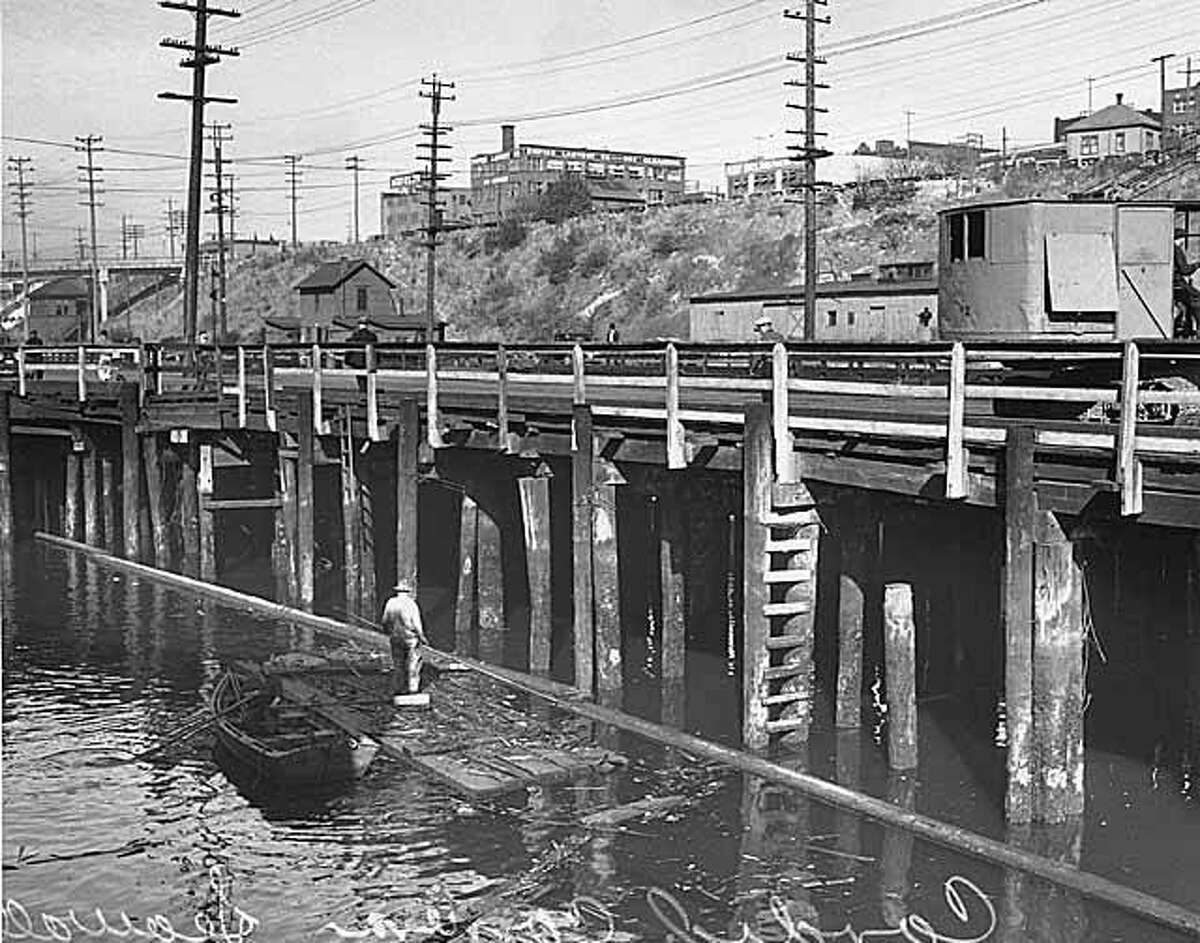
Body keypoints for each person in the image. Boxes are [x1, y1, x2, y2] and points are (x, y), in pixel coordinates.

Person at [381, 579, 428, 698]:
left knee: (398, 665)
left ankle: (399, 689)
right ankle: (413, 690)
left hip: (396, 638)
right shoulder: (411, 604)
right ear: (407, 592)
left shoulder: (390, 603)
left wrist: (387, 631)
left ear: (397, 591)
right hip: (411, 639)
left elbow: (385, 621)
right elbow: (417, 624)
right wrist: (422, 637)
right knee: (414, 665)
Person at [1173, 229, 1199, 339]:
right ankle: (1197, 327)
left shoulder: (1171, 249)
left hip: (1174, 282)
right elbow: (1184, 270)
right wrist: (1197, 265)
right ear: (1180, 239)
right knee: (1196, 297)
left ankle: (1187, 326)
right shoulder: (1176, 249)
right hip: (1177, 282)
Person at [345, 316, 377, 395]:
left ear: (359, 324)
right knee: (368, 377)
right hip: (368, 359)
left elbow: (349, 348)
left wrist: (347, 360)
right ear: (368, 325)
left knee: (360, 378)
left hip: (356, 360)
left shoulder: (355, 336)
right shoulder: (372, 336)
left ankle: (363, 393)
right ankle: (367, 392)